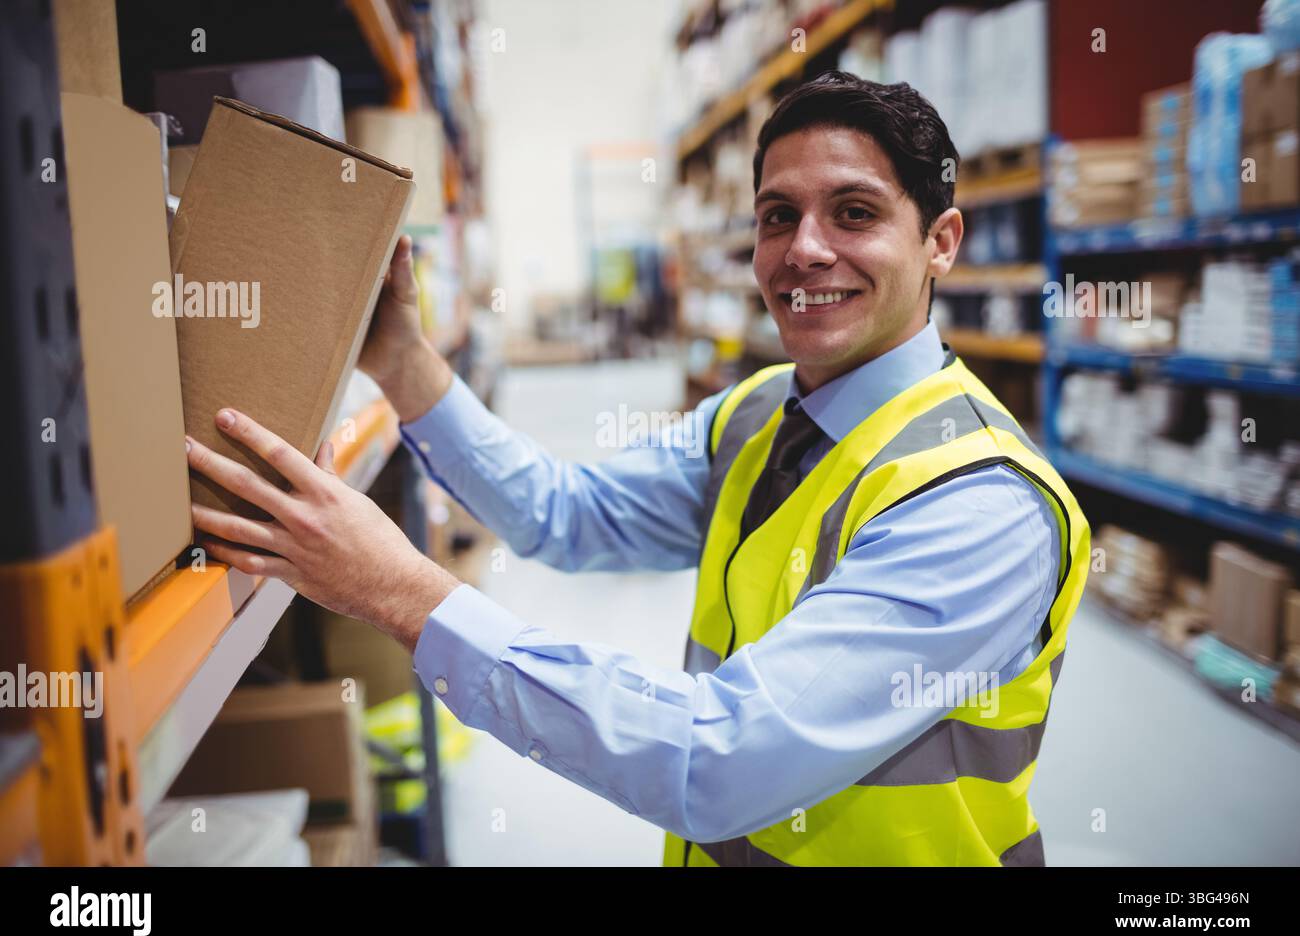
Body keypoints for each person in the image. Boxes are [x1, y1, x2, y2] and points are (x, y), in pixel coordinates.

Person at [185, 71, 1090, 867]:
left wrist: (401, 594)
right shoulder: (760, 414)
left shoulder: (977, 504)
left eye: (855, 213)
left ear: (941, 242)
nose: (806, 250)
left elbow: (720, 762)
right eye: (779, 216)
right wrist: (406, 364)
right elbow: (564, 515)